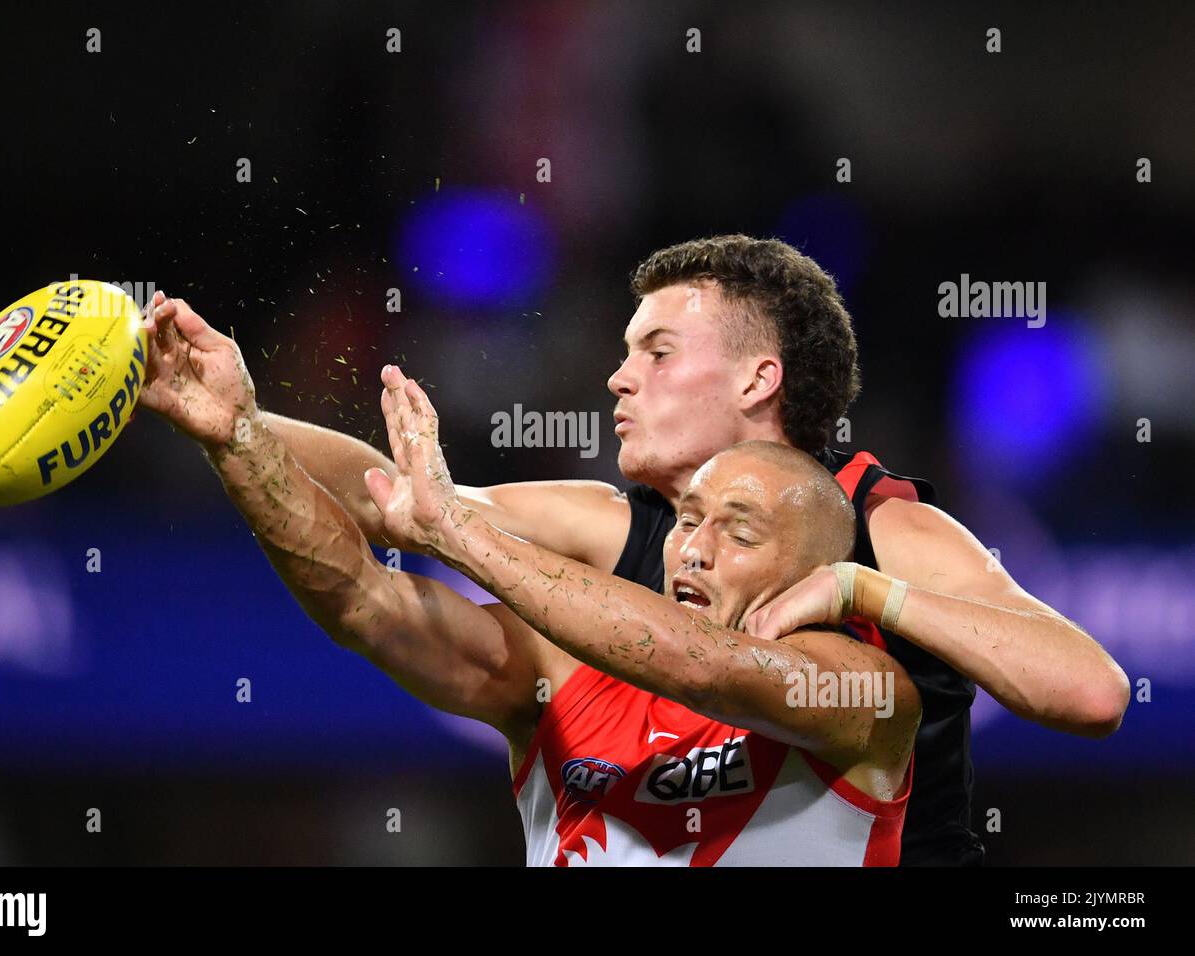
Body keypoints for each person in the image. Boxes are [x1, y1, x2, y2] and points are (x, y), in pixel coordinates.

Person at [139, 234, 1130, 865]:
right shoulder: (612, 526)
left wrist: (871, 586)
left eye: (655, 351)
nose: (617, 378)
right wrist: (236, 422)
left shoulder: (890, 527)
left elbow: (1088, 694)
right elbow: (396, 500)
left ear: (756, 380)